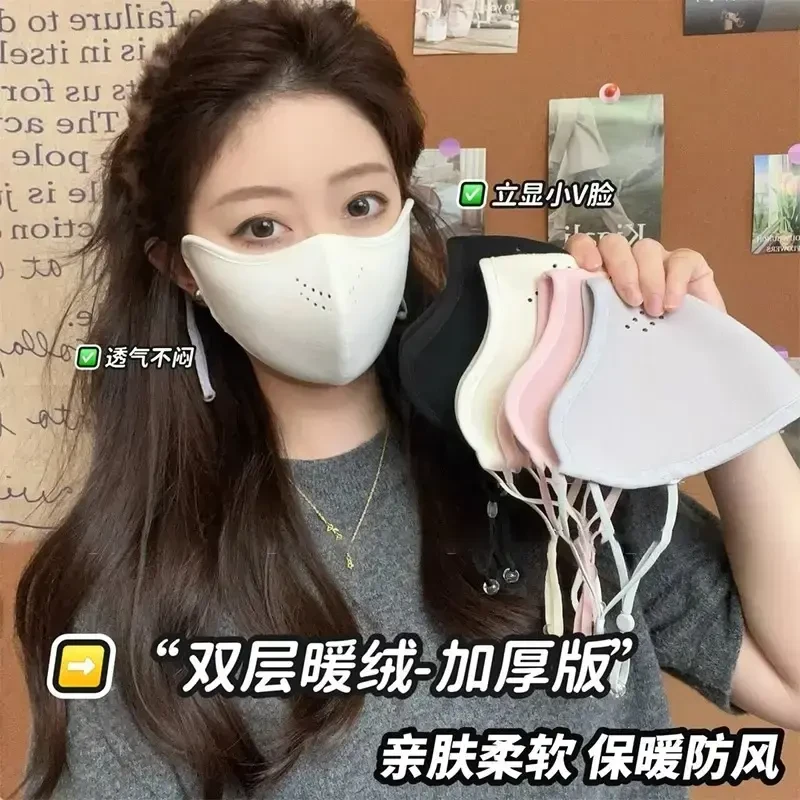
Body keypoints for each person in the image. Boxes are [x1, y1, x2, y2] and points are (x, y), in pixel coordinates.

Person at [13, 1, 800, 799]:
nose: (328, 261)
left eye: (360, 205)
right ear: (183, 267)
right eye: (260, 227)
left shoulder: (549, 439)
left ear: (403, 204)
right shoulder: (137, 586)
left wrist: (714, 369)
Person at [547, 98, 636, 245]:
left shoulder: (571, 99)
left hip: (580, 151)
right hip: (577, 149)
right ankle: (557, 229)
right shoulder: (575, 98)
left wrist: (555, 157)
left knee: (596, 190)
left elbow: (566, 124)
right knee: (564, 187)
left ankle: (625, 228)